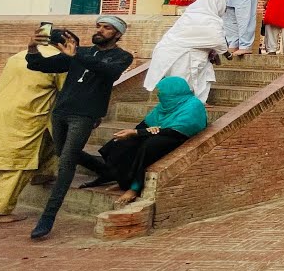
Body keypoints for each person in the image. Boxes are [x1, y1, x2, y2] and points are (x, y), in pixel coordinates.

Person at [24, 17, 134, 240]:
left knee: (66, 162)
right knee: (61, 151)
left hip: (84, 115)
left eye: (107, 28)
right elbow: (38, 65)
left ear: (118, 34)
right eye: (99, 27)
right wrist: (32, 46)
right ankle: (106, 170)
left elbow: (108, 72)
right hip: (61, 111)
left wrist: (76, 55)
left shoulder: (122, 57)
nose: (100, 30)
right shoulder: (79, 52)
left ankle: (48, 217)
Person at [78, 76, 208, 207]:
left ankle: (135, 187)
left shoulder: (193, 105)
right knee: (120, 143)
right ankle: (121, 179)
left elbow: (178, 129)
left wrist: (138, 133)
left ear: (174, 93)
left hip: (178, 138)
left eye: (163, 94)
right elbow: (145, 124)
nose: (160, 96)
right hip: (157, 132)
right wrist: (130, 133)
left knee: (149, 146)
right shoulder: (164, 106)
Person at [0, 46, 66, 224]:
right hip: (28, 114)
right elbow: (66, 90)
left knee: (48, 141)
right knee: (19, 162)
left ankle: (43, 173)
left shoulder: (18, 56)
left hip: (3, 109)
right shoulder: (57, 60)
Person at [144, 0, 229, 102]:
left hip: (177, 55)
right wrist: (227, 53)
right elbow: (217, 41)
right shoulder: (206, 18)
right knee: (185, 85)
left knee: (195, 82)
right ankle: (185, 107)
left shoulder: (191, 15)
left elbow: (207, 40)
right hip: (182, 56)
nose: (225, 9)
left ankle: (191, 104)